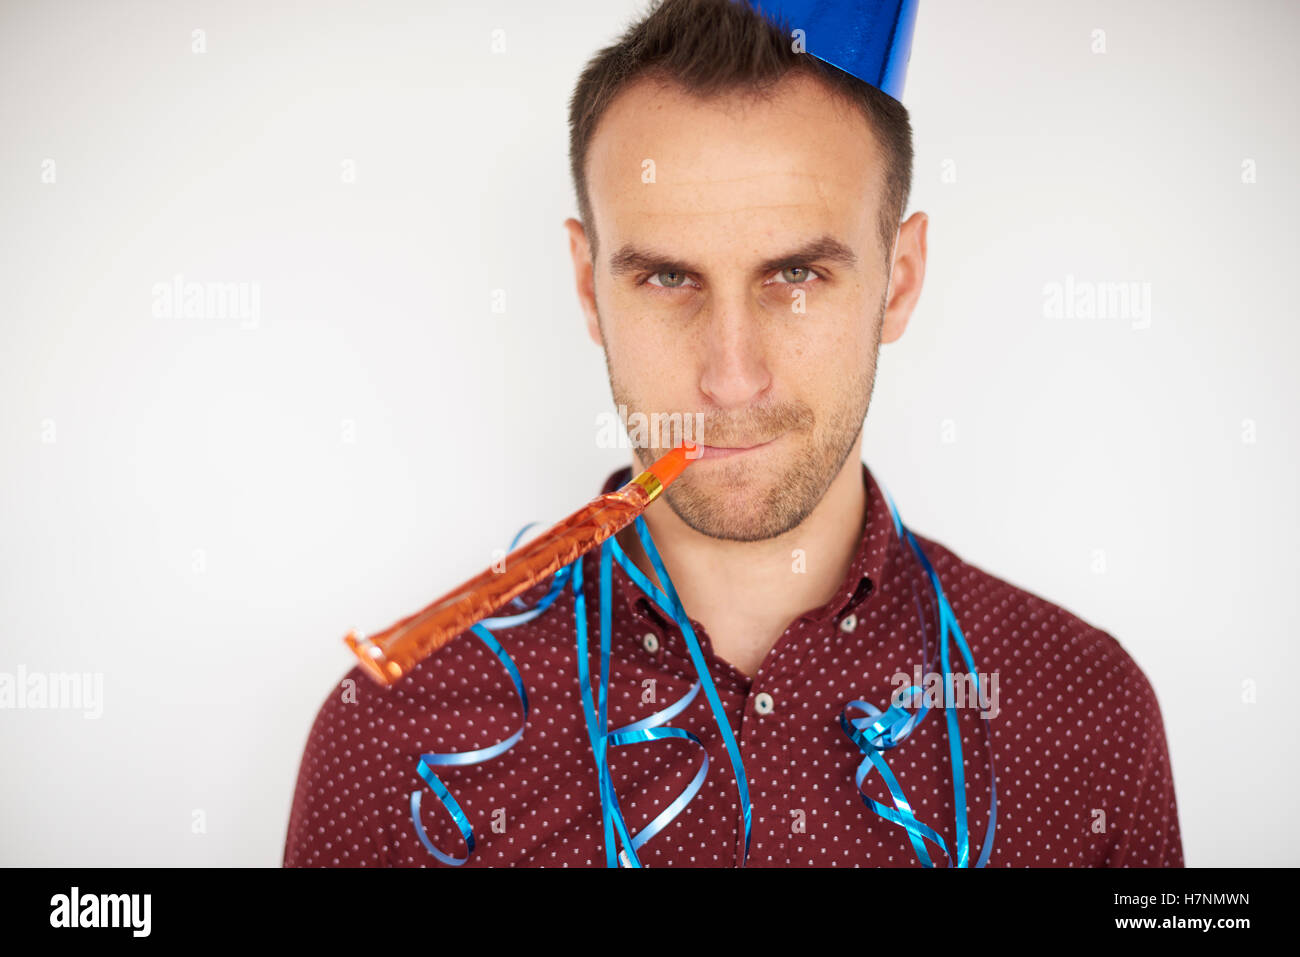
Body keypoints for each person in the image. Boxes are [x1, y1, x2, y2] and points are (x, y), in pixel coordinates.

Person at [284, 0, 1182, 867]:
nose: (731, 376)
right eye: (669, 278)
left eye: (795, 272)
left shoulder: (1086, 712)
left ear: (899, 281)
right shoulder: (392, 735)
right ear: (590, 286)